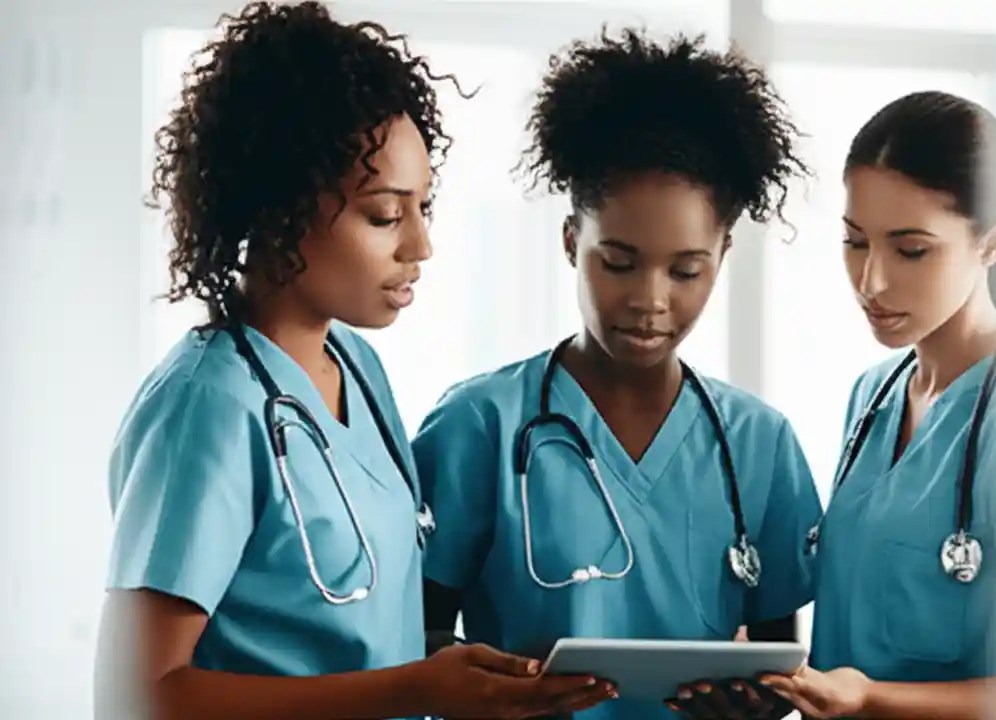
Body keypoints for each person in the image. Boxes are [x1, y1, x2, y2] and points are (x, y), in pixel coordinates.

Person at [93, 3, 613, 719]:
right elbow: (134, 695)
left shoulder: (357, 369)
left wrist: (484, 673)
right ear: (278, 208)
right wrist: (415, 687)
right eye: (385, 215)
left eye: (424, 208)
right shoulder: (207, 405)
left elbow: (357, 637)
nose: (420, 246)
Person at [412, 28, 819, 720]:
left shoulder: (761, 443)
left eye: (685, 271)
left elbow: (778, 665)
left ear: (723, 254)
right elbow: (416, 643)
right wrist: (504, 688)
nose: (650, 299)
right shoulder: (478, 426)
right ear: (572, 240)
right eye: (620, 263)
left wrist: (750, 704)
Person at [757, 91, 996, 718]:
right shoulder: (872, 396)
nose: (871, 281)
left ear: (992, 243)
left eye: (911, 250)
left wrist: (872, 699)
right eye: (855, 242)